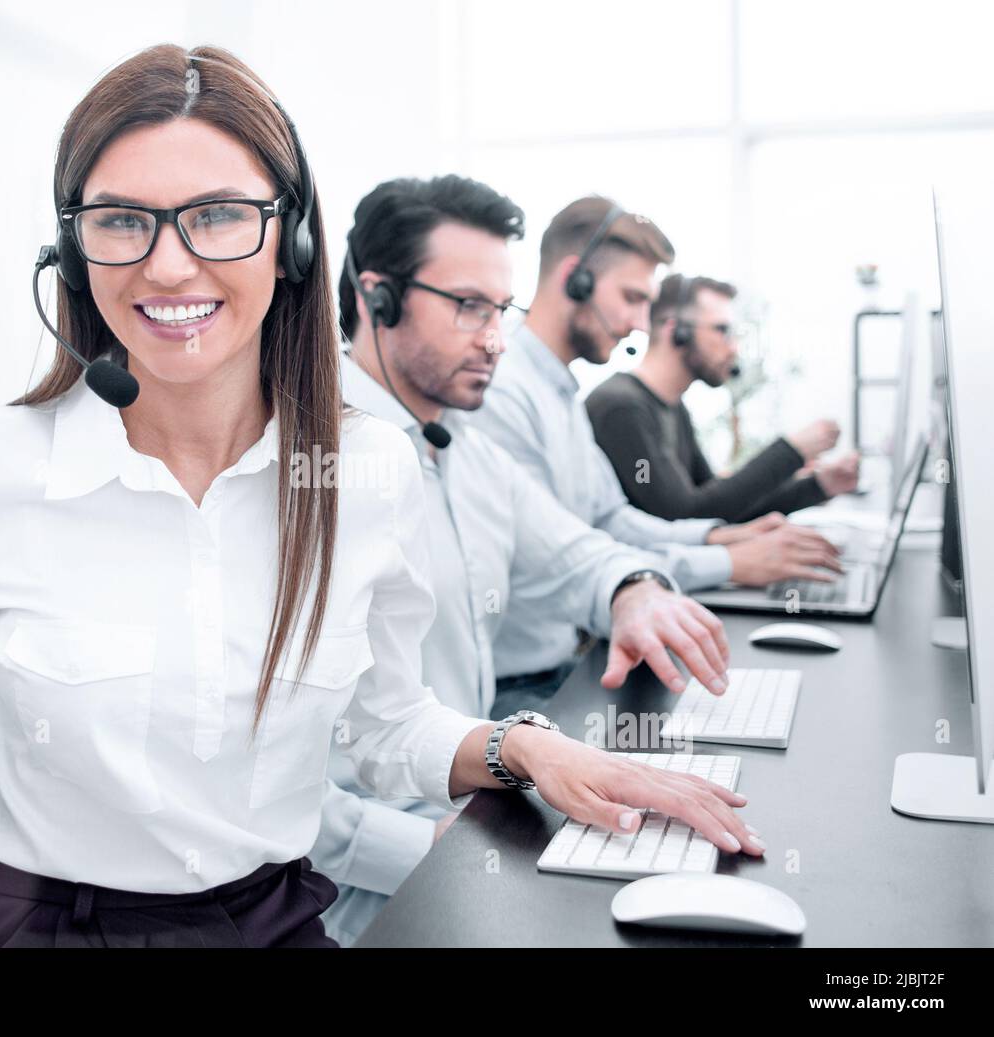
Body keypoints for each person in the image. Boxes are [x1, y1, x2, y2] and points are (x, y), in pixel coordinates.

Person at [0, 46, 759, 951]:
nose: (167, 262)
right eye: (119, 221)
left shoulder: (365, 469)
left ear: (289, 243)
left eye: (217, 215)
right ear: (72, 251)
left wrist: (522, 750)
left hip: (281, 920)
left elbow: (383, 723)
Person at [311, 175, 759, 946]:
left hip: (477, 808)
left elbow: (579, 545)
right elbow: (261, 781)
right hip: (363, 892)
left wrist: (633, 588)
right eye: (468, 306)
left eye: (501, 310)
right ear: (376, 298)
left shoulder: (467, 447)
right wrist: (421, 850)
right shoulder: (308, 465)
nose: (495, 338)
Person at [468, 195, 842, 714]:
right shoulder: (504, 391)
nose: (643, 324)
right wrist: (729, 560)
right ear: (575, 279)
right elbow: (551, 563)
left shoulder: (559, 390)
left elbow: (610, 517)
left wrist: (717, 536)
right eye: (631, 297)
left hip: (568, 666)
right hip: (525, 690)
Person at [586, 272, 860, 522]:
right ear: (676, 330)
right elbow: (679, 514)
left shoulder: (673, 408)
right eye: (721, 330)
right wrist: (791, 451)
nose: (733, 348)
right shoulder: (621, 410)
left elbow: (718, 505)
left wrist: (819, 486)